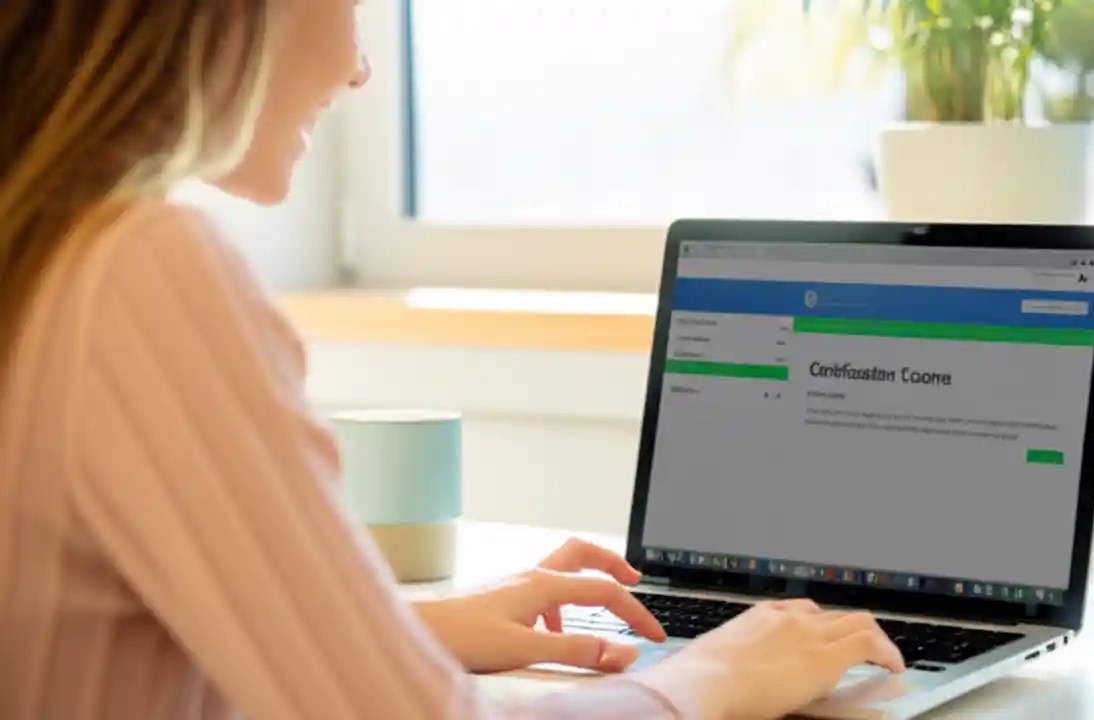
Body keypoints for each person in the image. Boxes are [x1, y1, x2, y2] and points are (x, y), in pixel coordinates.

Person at [0, 1, 904, 718]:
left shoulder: (38, 249)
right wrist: (712, 678)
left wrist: (388, 632)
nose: (359, 69)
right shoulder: (134, 273)